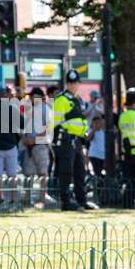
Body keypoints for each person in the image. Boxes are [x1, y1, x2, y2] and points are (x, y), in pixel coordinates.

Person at [52, 69, 95, 210]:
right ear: (67, 84)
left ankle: (81, 200)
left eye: (75, 83)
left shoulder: (77, 99)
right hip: (66, 139)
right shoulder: (61, 99)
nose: (73, 85)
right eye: (70, 83)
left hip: (77, 140)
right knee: (66, 172)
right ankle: (66, 201)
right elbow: (56, 123)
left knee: (80, 171)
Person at [22, 87, 56, 208]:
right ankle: (27, 198)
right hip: (30, 146)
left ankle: (42, 198)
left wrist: (33, 140)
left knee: (42, 173)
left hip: (41, 145)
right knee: (28, 173)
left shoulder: (45, 109)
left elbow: (47, 129)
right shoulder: (30, 109)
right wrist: (25, 138)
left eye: (32, 96)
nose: (30, 98)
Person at [0, 87, 22, 210]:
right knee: (12, 175)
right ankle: (12, 200)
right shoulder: (12, 110)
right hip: (10, 145)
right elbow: (22, 124)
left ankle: (1, 199)